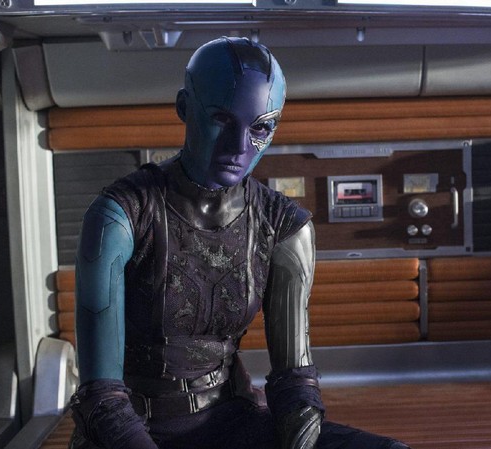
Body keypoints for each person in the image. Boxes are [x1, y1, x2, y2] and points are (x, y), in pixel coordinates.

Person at [70, 36, 411, 449]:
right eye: (222, 120)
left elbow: (294, 379)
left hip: (231, 422)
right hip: (129, 432)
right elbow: (102, 400)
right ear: (184, 108)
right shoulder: (120, 217)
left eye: (260, 127)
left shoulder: (283, 225)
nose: (239, 147)